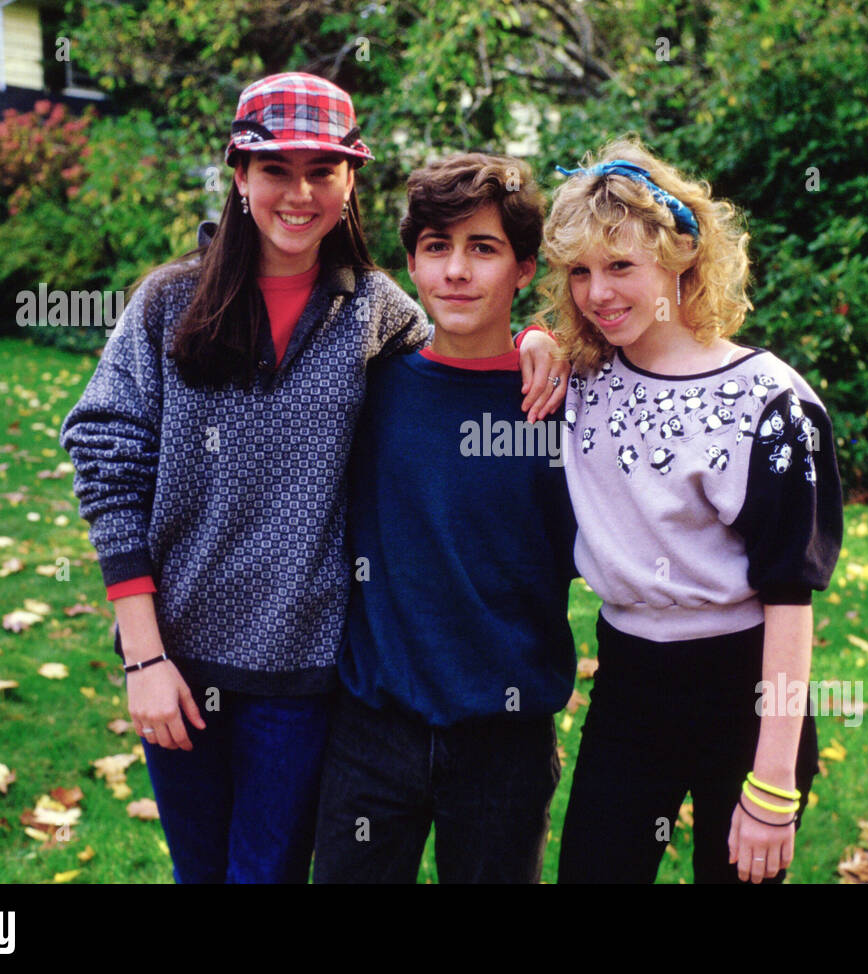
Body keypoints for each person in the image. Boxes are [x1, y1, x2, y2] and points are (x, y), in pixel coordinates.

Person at [58, 73, 565, 884]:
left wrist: (540, 336)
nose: (299, 194)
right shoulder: (168, 304)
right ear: (238, 174)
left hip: (303, 675)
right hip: (176, 665)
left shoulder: (375, 311)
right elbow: (105, 452)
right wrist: (143, 657)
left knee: (265, 876)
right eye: (275, 170)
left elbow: (460, 342)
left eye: (322, 171)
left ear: (350, 179)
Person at [538, 137, 845, 884]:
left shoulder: (769, 403)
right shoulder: (577, 383)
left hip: (744, 693)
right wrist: (530, 339)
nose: (597, 293)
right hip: (627, 687)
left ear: (680, 257)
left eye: (620, 267)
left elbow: (790, 599)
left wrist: (773, 782)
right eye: (579, 272)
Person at [312, 153, 578, 884]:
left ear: (524, 268)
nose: (456, 271)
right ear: (412, 263)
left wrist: (540, 340)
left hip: (506, 736)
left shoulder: (560, 408)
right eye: (437, 248)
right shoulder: (368, 389)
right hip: (372, 729)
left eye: (483, 249)